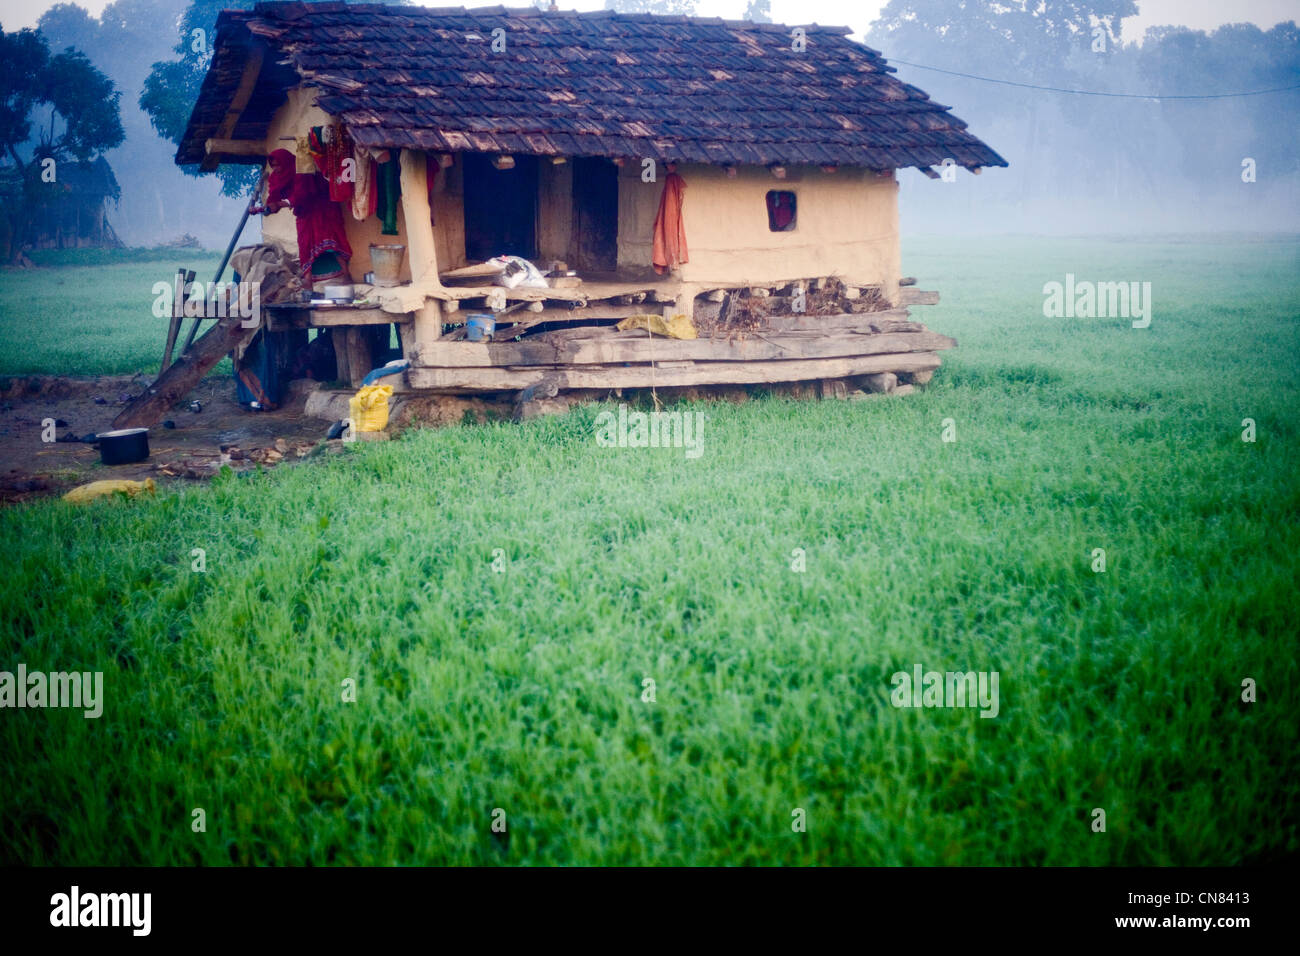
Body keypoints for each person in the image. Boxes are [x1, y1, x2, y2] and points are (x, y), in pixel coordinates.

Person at [250, 149, 352, 290]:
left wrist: (279, 204)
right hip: (303, 212)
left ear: (285, 162)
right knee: (305, 244)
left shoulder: (300, 171)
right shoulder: (275, 178)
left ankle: (346, 275)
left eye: (278, 165)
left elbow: (302, 194)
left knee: (328, 240)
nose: (276, 169)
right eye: (273, 166)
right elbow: (274, 197)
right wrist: (265, 209)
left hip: (322, 207)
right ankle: (308, 280)